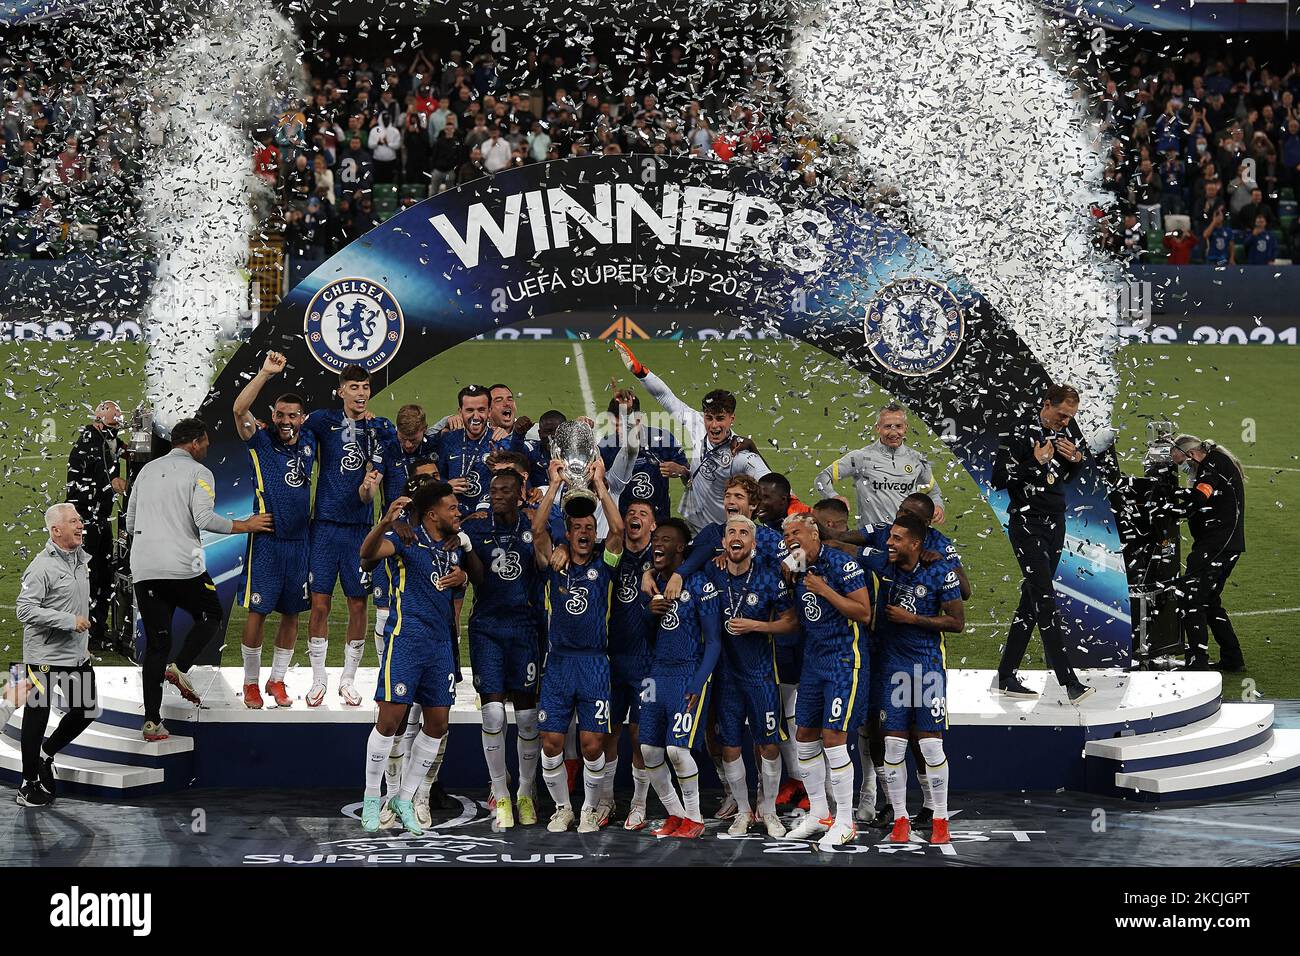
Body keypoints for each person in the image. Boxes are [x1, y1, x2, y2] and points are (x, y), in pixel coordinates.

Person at [127, 418, 273, 740]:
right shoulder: (200, 472)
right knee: (210, 614)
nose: (207, 447)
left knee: (156, 644)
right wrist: (246, 525)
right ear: (194, 443)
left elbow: (130, 522)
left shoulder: (146, 471)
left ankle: (152, 722)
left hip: (145, 568)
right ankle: (179, 666)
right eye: (205, 442)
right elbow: (204, 518)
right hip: (182, 566)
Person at [357, 482, 479, 834]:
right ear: (432, 513)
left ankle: (405, 798)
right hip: (405, 641)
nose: (458, 512)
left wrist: (464, 576)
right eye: (452, 508)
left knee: (438, 725)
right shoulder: (404, 539)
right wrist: (384, 521)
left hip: (441, 645)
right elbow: (367, 555)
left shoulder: (452, 546)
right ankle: (370, 797)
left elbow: (463, 580)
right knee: (389, 722)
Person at [531, 455, 625, 833]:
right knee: (551, 742)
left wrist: (600, 485)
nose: (584, 532)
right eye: (577, 528)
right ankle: (561, 808)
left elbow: (617, 530)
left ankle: (588, 808)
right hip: (558, 664)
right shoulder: (554, 564)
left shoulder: (605, 565)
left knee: (591, 745)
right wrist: (554, 486)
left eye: (589, 528)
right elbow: (537, 532)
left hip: (594, 664)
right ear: (567, 534)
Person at [859, 513, 965, 846]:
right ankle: (901, 819)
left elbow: (956, 622)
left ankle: (940, 819)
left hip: (927, 665)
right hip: (894, 666)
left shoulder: (939, 572)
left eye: (896, 538)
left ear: (916, 544)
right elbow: (840, 547)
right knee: (893, 744)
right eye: (889, 537)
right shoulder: (885, 565)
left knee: (931, 745)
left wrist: (912, 618)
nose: (889, 543)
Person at [991, 384, 1094, 703]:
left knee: (1032, 599)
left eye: (1071, 417)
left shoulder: (1064, 436)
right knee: (1045, 600)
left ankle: (1006, 675)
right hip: (1027, 524)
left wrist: (1076, 459)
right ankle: (1070, 682)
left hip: (1055, 522)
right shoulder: (1018, 433)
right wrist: (1033, 463)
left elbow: (1062, 476)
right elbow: (998, 479)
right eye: (1063, 414)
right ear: (1046, 404)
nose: (1066, 421)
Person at [302, 365, 393, 708]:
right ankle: (318, 678)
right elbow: (291, 428)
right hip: (324, 526)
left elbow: (376, 479)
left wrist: (369, 489)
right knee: (320, 604)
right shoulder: (322, 421)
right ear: (341, 390)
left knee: (358, 604)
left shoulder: (379, 428)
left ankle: (348, 680)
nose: (360, 393)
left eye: (365, 387)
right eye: (354, 386)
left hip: (359, 531)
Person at [779, 513, 872, 846]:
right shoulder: (794, 563)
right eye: (786, 533)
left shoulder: (841, 565)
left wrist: (823, 590)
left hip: (844, 660)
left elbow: (863, 612)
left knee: (833, 736)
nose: (790, 538)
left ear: (814, 532)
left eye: (797, 532)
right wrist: (790, 575)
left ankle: (846, 820)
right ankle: (819, 813)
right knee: (804, 735)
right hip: (814, 661)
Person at [461, 469, 544, 829]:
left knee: (527, 717)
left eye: (505, 490)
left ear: (520, 493)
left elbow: (545, 562)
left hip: (524, 628)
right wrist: (464, 548)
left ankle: (526, 791)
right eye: (493, 489)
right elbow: (476, 575)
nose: (496, 495)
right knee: (493, 715)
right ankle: (501, 793)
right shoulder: (476, 526)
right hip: (487, 628)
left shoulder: (533, 527)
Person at [231, 351, 316, 708]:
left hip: (300, 543)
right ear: (272, 416)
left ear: (303, 419)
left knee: (293, 613)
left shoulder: (312, 441)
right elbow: (238, 410)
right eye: (279, 414)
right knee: (258, 612)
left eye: (292, 415)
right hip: (267, 542)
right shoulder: (261, 442)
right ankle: (250, 682)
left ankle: (277, 680)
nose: (285, 420)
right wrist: (265, 373)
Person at [704, 513, 797, 837]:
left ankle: (768, 811)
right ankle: (743, 812)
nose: (737, 536)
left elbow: (790, 622)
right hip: (727, 677)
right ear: (723, 540)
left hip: (760, 676)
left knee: (768, 745)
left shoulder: (769, 578)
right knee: (729, 745)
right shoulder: (712, 575)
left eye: (744, 532)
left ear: (754, 543)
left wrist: (757, 626)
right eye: (732, 531)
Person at [614, 339, 768, 533]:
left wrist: (754, 449)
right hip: (690, 526)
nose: (713, 425)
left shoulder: (741, 453)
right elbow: (665, 397)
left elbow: (771, 485)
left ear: (732, 419)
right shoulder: (696, 424)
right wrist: (640, 371)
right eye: (709, 417)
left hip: (722, 533)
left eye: (720, 419)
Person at [639, 518, 723, 839]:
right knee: (648, 750)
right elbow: (646, 635)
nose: (657, 543)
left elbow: (714, 642)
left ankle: (695, 817)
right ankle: (675, 813)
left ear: (681, 548)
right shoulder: (651, 584)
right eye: (656, 538)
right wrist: (649, 613)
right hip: (657, 675)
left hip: (689, 672)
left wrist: (698, 681)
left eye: (666, 539)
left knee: (678, 751)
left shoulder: (701, 585)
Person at [14, 504, 97, 807]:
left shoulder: (80, 559)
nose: (80, 525)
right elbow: (24, 609)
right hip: (42, 656)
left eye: (80, 520)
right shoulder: (40, 567)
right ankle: (27, 784)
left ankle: (45, 755)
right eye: (73, 521)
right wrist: (67, 621)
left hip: (76, 654)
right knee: (36, 715)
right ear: (55, 530)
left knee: (87, 709)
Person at [1169, 435, 1246, 671]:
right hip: (1226, 544)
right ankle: (1233, 659)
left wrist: (1171, 497)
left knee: (1190, 596)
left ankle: (1197, 663)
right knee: (1209, 600)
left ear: (1191, 454)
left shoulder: (1212, 466)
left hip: (1216, 546)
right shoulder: (1217, 462)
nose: (1181, 467)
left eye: (1179, 461)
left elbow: (1202, 495)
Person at [812, 402, 944, 527]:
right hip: (871, 538)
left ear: (906, 428)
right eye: (887, 426)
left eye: (898, 426)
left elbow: (933, 490)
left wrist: (938, 506)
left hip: (906, 539)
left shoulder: (917, 459)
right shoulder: (860, 457)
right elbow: (823, 477)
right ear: (878, 428)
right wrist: (833, 496)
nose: (893, 432)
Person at [65, 400, 127, 649]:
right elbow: (112, 482)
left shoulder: (106, 440)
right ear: (100, 421)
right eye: (114, 422)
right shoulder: (92, 443)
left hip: (99, 518)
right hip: (85, 522)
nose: (117, 427)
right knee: (90, 576)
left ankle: (98, 632)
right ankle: (85, 632)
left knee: (104, 573)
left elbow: (125, 450)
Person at [599, 386, 688, 522]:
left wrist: (681, 471)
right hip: (624, 524)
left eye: (626, 425)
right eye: (616, 426)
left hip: (660, 521)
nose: (621, 432)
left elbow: (690, 479)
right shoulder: (606, 446)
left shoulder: (663, 439)